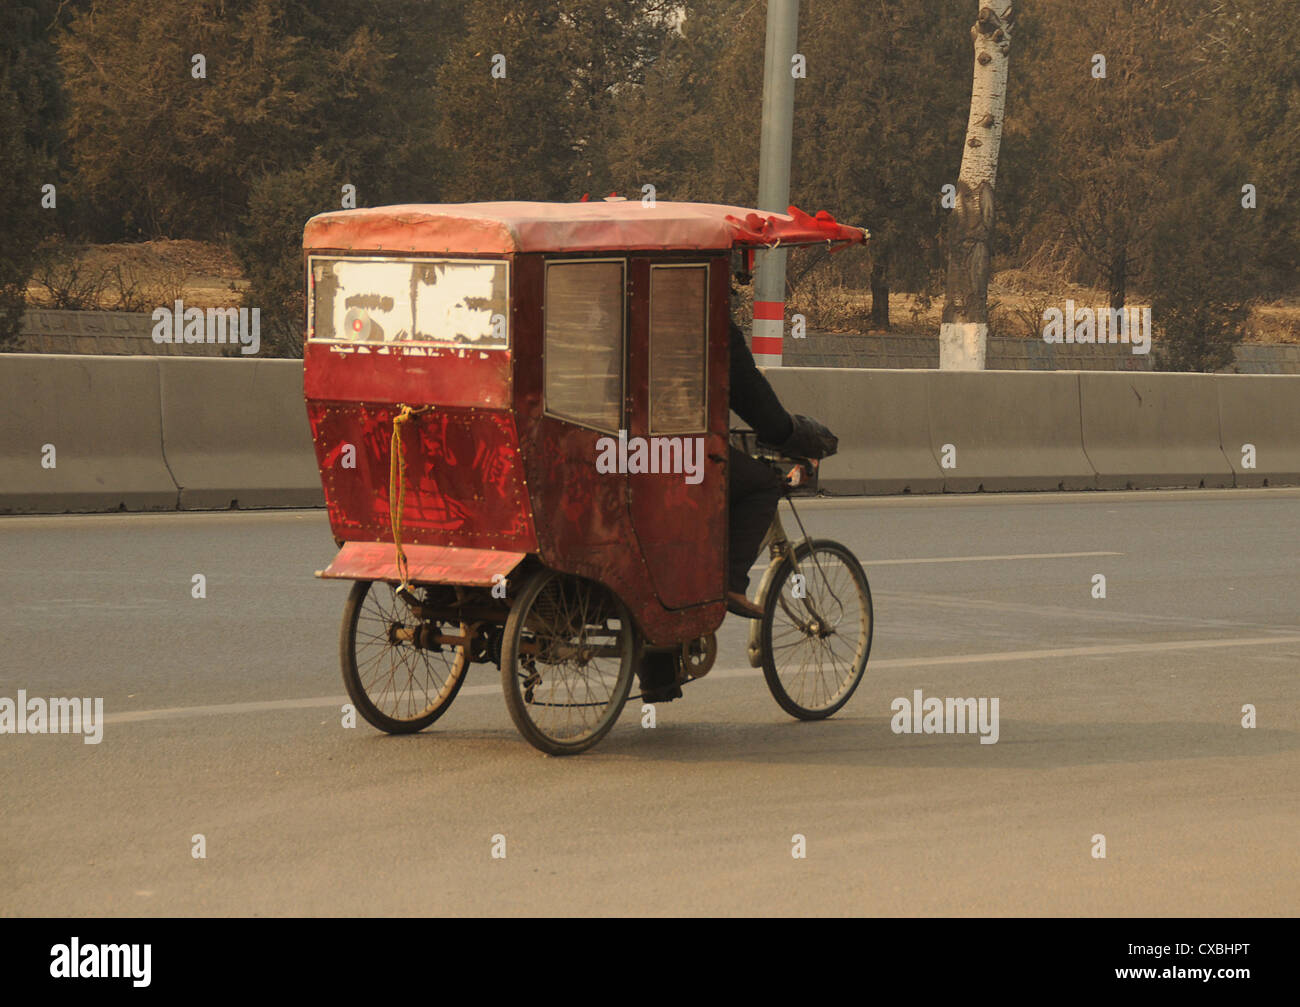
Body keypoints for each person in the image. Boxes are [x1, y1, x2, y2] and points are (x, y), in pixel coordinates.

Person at [638, 305, 838, 703]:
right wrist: (790, 434)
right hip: (680, 448)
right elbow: (749, 393)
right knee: (763, 482)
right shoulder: (705, 315)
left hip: (618, 449)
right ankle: (729, 583)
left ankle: (658, 674)